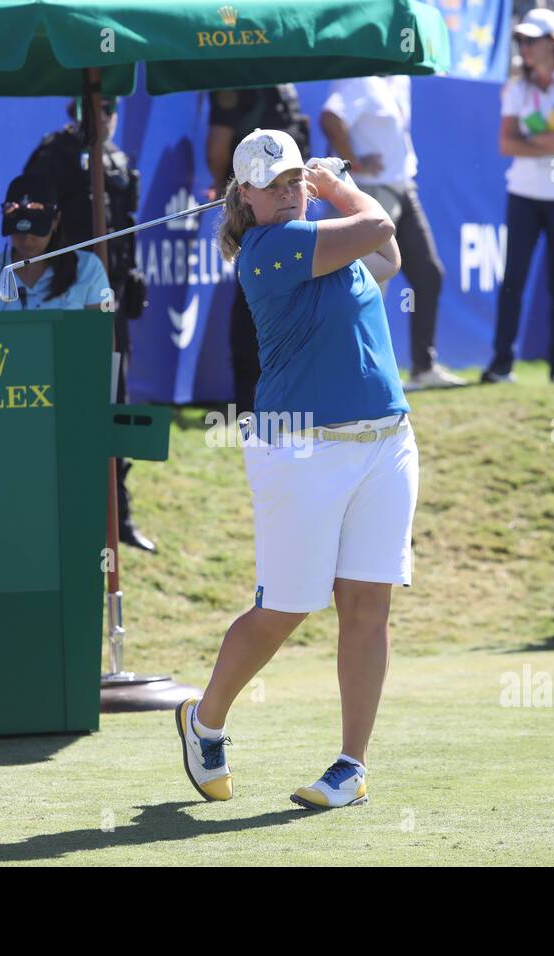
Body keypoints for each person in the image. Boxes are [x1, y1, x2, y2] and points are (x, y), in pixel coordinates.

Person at [174, 129, 419, 811]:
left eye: (292, 181)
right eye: (272, 185)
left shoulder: (325, 242)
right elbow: (379, 222)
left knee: (368, 605)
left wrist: (328, 190)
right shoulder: (270, 248)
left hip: (385, 440)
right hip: (300, 447)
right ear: (243, 198)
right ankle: (205, 721)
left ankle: (350, 766)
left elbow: (388, 255)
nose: (286, 194)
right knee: (286, 606)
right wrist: (337, 184)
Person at [23, 96, 155, 553]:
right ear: (72, 110)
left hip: (112, 298)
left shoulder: (118, 160)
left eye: (107, 109)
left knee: (115, 398)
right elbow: (31, 224)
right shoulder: (52, 154)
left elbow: (130, 223)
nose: (100, 117)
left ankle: (118, 513)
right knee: (66, 399)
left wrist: (131, 273)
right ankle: (62, 507)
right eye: (90, 108)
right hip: (68, 296)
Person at [321, 75, 464, 390]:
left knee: (427, 274)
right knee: (371, 281)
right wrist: (353, 163)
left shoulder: (400, 78)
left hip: (403, 187)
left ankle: (423, 367)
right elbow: (331, 118)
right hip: (372, 191)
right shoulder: (359, 80)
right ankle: (360, 373)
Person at [483, 8, 554, 385]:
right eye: (522, 40)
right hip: (524, 194)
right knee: (513, 278)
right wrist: (550, 142)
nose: (526, 47)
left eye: (532, 40)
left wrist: (530, 141)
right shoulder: (518, 87)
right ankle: (501, 365)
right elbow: (505, 143)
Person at [205, 85, 311, 415]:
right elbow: (218, 148)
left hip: (281, 212)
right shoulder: (239, 81)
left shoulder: (286, 86)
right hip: (259, 215)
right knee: (254, 308)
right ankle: (249, 402)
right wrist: (243, 194)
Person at [0, 174, 110, 312]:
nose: (27, 239)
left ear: (56, 221)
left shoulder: (88, 268)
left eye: (36, 231)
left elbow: (101, 333)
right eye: (19, 232)